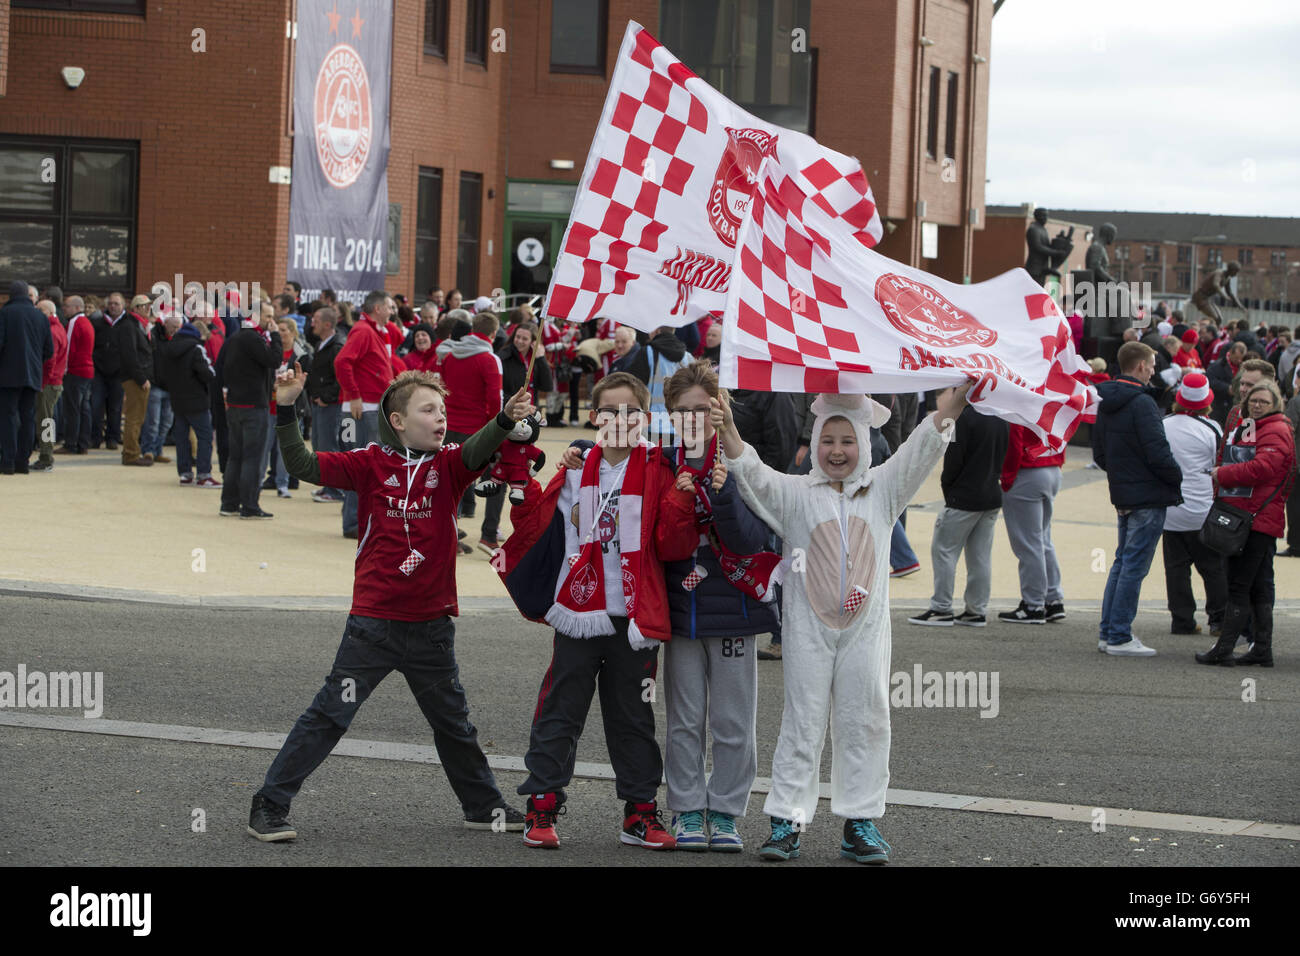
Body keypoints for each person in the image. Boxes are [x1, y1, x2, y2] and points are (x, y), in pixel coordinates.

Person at [247, 368, 536, 841]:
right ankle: (269, 803)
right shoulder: (368, 463)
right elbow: (301, 464)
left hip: (432, 628)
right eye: (428, 410)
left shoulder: (449, 466)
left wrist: (505, 418)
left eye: (443, 411)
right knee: (328, 716)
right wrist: (284, 407)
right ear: (397, 420)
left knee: (454, 724)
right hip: (373, 626)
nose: (440, 418)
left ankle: (482, 806)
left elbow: (477, 449)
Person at [715, 384, 970, 864]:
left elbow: (923, 444)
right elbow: (750, 471)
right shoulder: (795, 494)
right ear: (813, 445)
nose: (837, 451)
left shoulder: (884, 489)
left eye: (847, 440)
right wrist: (727, 426)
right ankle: (787, 820)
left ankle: (860, 822)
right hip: (808, 631)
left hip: (864, 635)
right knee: (802, 720)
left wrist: (951, 405)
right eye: (827, 441)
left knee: (866, 719)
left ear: (864, 444)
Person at [496, 372, 698, 851]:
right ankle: (541, 802)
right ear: (593, 416)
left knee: (634, 716)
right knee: (560, 710)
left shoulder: (660, 466)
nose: (620, 420)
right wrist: (522, 482)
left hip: (633, 613)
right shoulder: (574, 469)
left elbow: (674, 545)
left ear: (645, 419)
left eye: (630, 412)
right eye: (609, 411)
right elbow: (534, 523)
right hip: (578, 610)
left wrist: (682, 499)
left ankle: (639, 812)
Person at [1091, 341, 1184, 657]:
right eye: (1153, 365)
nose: (1155, 371)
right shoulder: (1143, 403)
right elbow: (1158, 452)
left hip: (1125, 491)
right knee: (1133, 566)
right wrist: (1176, 477)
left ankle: (1109, 632)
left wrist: (1121, 475)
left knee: (1122, 563)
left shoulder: (1105, 398)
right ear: (1142, 366)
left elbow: (1100, 452)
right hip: (1148, 493)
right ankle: (1118, 635)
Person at [1195, 381, 1295, 667]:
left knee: (1239, 585)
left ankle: (1224, 649)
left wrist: (1223, 474)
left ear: (1275, 404)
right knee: (1257, 587)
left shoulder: (1274, 429)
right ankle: (1261, 649)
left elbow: (1264, 468)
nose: (1257, 404)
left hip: (1255, 520)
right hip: (1256, 518)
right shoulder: (1258, 426)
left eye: (1264, 401)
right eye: (1254, 400)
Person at [908, 405, 1009, 627]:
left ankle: (941, 607)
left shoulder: (962, 418)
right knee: (980, 557)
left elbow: (953, 459)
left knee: (944, 551)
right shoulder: (1001, 416)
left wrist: (949, 489)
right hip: (991, 494)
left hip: (963, 496)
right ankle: (976, 609)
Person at [1159, 372, 1225, 636]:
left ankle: (1182, 620)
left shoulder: (1163, 424)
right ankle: (1218, 619)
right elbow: (1220, 465)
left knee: (1176, 569)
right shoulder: (1212, 428)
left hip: (1170, 509)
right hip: (1202, 509)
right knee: (1212, 568)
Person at [437, 310, 503, 552]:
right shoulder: (489, 359)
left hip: (450, 426)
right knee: (496, 478)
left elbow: (442, 389)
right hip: (477, 429)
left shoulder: (450, 355)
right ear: (493, 334)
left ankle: (446, 532)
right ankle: (489, 534)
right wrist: (495, 431)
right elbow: (494, 399)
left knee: (450, 484)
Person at [335, 291, 397, 538]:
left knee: (361, 463)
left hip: (366, 408)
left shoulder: (372, 331)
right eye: (390, 307)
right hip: (363, 409)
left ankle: (355, 520)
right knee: (361, 464)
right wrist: (354, 395)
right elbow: (342, 362)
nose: (392, 312)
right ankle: (353, 522)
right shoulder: (363, 331)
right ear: (378, 308)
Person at [997, 424, 1065, 624]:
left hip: (1027, 471)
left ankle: (1033, 604)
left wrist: (1007, 478)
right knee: (1043, 540)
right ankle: (1053, 599)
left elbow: (1014, 439)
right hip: (1051, 466)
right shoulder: (1047, 394)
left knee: (1028, 543)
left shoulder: (1019, 398)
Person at [218, 304, 281, 519]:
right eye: (268, 316)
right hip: (254, 406)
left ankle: (229, 503)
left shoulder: (234, 337)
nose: (271, 321)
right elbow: (274, 360)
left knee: (235, 457)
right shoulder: (254, 339)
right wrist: (275, 335)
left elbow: (220, 368)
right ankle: (249, 506)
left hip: (235, 404)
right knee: (252, 458)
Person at [155, 313, 220, 488]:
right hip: (197, 399)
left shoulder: (169, 348)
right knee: (205, 437)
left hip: (177, 398)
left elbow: (163, 373)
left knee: (182, 437)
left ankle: (185, 474)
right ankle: (204, 475)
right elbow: (207, 373)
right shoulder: (196, 348)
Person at [0, 281, 53, 475]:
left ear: (10, 295)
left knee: (8, 418)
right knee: (28, 418)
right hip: (33, 375)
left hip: (7, 375)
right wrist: (35, 362)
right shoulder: (40, 316)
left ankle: (7, 462)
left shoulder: (5, 314)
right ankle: (23, 462)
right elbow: (49, 349)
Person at [305, 306, 346, 503]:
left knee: (329, 446)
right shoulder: (322, 344)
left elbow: (341, 378)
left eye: (317, 320)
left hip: (330, 405)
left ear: (328, 324)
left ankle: (335, 490)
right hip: (319, 403)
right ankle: (328, 485)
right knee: (320, 445)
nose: (313, 323)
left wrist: (327, 397)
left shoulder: (336, 347)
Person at [626, 325, 693, 443]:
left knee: (653, 459)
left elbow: (632, 387)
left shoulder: (647, 352)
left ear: (656, 330)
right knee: (676, 460)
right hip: (681, 424)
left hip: (653, 423)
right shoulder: (688, 357)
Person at [111, 293, 154, 466]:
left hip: (139, 376)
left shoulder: (141, 325)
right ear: (136, 308)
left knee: (137, 417)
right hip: (135, 378)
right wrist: (141, 378)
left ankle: (133, 451)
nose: (148, 309)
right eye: (145, 306)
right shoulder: (129, 326)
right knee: (134, 417)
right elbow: (130, 355)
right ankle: (131, 454)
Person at [29, 299, 67, 473]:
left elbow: (49, 361)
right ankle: (46, 455)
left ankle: (46, 457)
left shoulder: (51, 331)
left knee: (45, 421)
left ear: (47, 312)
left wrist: (42, 383)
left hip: (49, 383)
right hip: (54, 382)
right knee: (47, 420)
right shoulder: (58, 328)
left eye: (39, 310)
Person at [56, 295, 94, 456]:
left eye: (67, 306)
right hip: (87, 370)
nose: (64, 308)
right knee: (84, 408)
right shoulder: (87, 323)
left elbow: (68, 348)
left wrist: (63, 370)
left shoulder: (74, 323)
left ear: (77, 307)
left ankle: (71, 443)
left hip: (75, 370)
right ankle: (83, 443)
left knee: (72, 409)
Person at [90, 292, 126, 450]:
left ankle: (112, 437)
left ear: (123, 305)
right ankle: (95, 437)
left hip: (118, 373)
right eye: (111, 303)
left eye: (116, 303)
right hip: (99, 372)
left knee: (115, 407)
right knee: (96, 405)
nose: (113, 306)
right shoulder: (97, 323)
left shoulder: (127, 324)